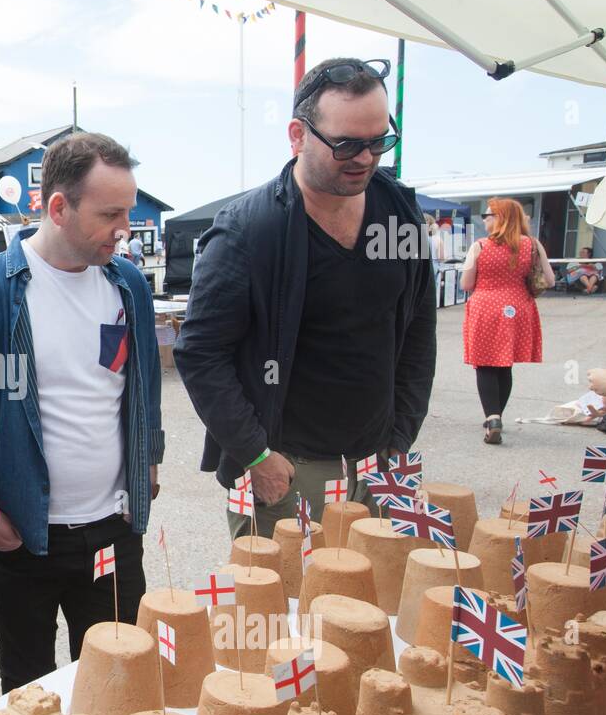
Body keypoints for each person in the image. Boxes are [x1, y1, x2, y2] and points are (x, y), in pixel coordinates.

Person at [0, 132, 164, 694]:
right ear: (57, 207)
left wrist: (149, 465)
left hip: (113, 530)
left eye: (128, 212)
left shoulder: (126, 284)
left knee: (116, 681)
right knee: (29, 687)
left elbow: (145, 384)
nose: (124, 229)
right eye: (110, 214)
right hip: (24, 537)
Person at [176, 57, 436, 538]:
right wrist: (256, 454)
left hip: (378, 465)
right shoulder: (247, 232)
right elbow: (201, 354)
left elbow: (418, 325)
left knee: (372, 607)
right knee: (292, 613)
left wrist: (401, 436)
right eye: (346, 145)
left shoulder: (399, 213)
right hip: (286, 473)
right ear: (298, 135)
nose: (365, 158)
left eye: (379, 141)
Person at [459, 197, 555, 444]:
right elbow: (550, 280)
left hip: (486, 307)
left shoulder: (480, 246)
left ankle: (492, 417)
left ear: (502, 218)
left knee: (484, 364)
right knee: (504, 364)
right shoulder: (532, 245)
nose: (485, 219)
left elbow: (466, 284)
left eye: (489, 215)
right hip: (518, 307)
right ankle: (498, 414)